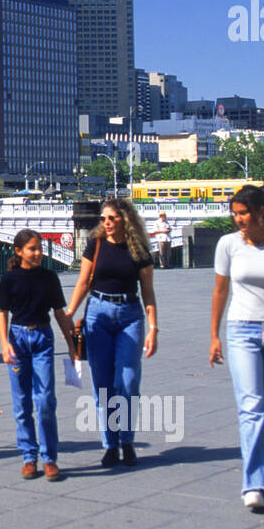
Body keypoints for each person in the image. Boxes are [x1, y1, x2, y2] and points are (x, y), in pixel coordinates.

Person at [208, 185, 264, 512]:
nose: (238, 219)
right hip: (240, 330)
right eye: (234, 213)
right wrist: (214, 336)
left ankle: (263, 472)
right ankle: (254, 484)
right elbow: (220, 292)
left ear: (260, 211)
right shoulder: (228, 245)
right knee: (251, 406)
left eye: (243, 212)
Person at [65, 197, 158, 468]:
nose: (106, 223)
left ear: (124, 220)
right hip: (98, 314)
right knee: (103, 385)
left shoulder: (138, 249)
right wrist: (69, 315)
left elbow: (148, 294)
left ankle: (127, 439)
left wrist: (154, 328)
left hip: (130, 314)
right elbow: (83, 282)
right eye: (103, 218)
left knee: (127, 382)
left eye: (112, 218)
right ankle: (110, 444)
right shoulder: (95, 244)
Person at [0, 229, 79, 480]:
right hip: (18, 339)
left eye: (40, 248)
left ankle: (49, 457)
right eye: (32, 249)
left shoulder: (49, 277)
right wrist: (4, 344)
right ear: (19, 252)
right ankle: (28, 456)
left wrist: (72, 344)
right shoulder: (9, 280)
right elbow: (2, 314)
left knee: (45, 400)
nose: (38, 253)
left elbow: (59, 313)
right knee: (21, 402)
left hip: (43, 337)